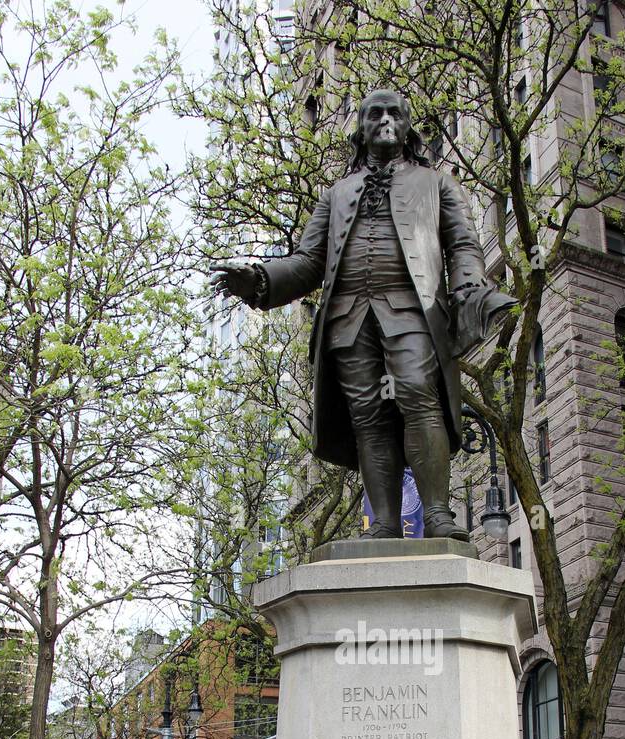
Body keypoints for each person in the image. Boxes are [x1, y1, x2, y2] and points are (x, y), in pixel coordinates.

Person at [210, 89, 515, 541]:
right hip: (349, 319)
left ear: (409, 125)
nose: (385, 120)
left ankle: (436, 515)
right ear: (361, 126)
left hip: (412, 309)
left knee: (418, 394)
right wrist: (258, 280)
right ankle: (386, 523)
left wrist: (470, 288)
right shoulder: (336, 195)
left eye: (395, 113)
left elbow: (463, 244)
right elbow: (308, 262)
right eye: (375, 114)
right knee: (367, 417)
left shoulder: (437, 184)